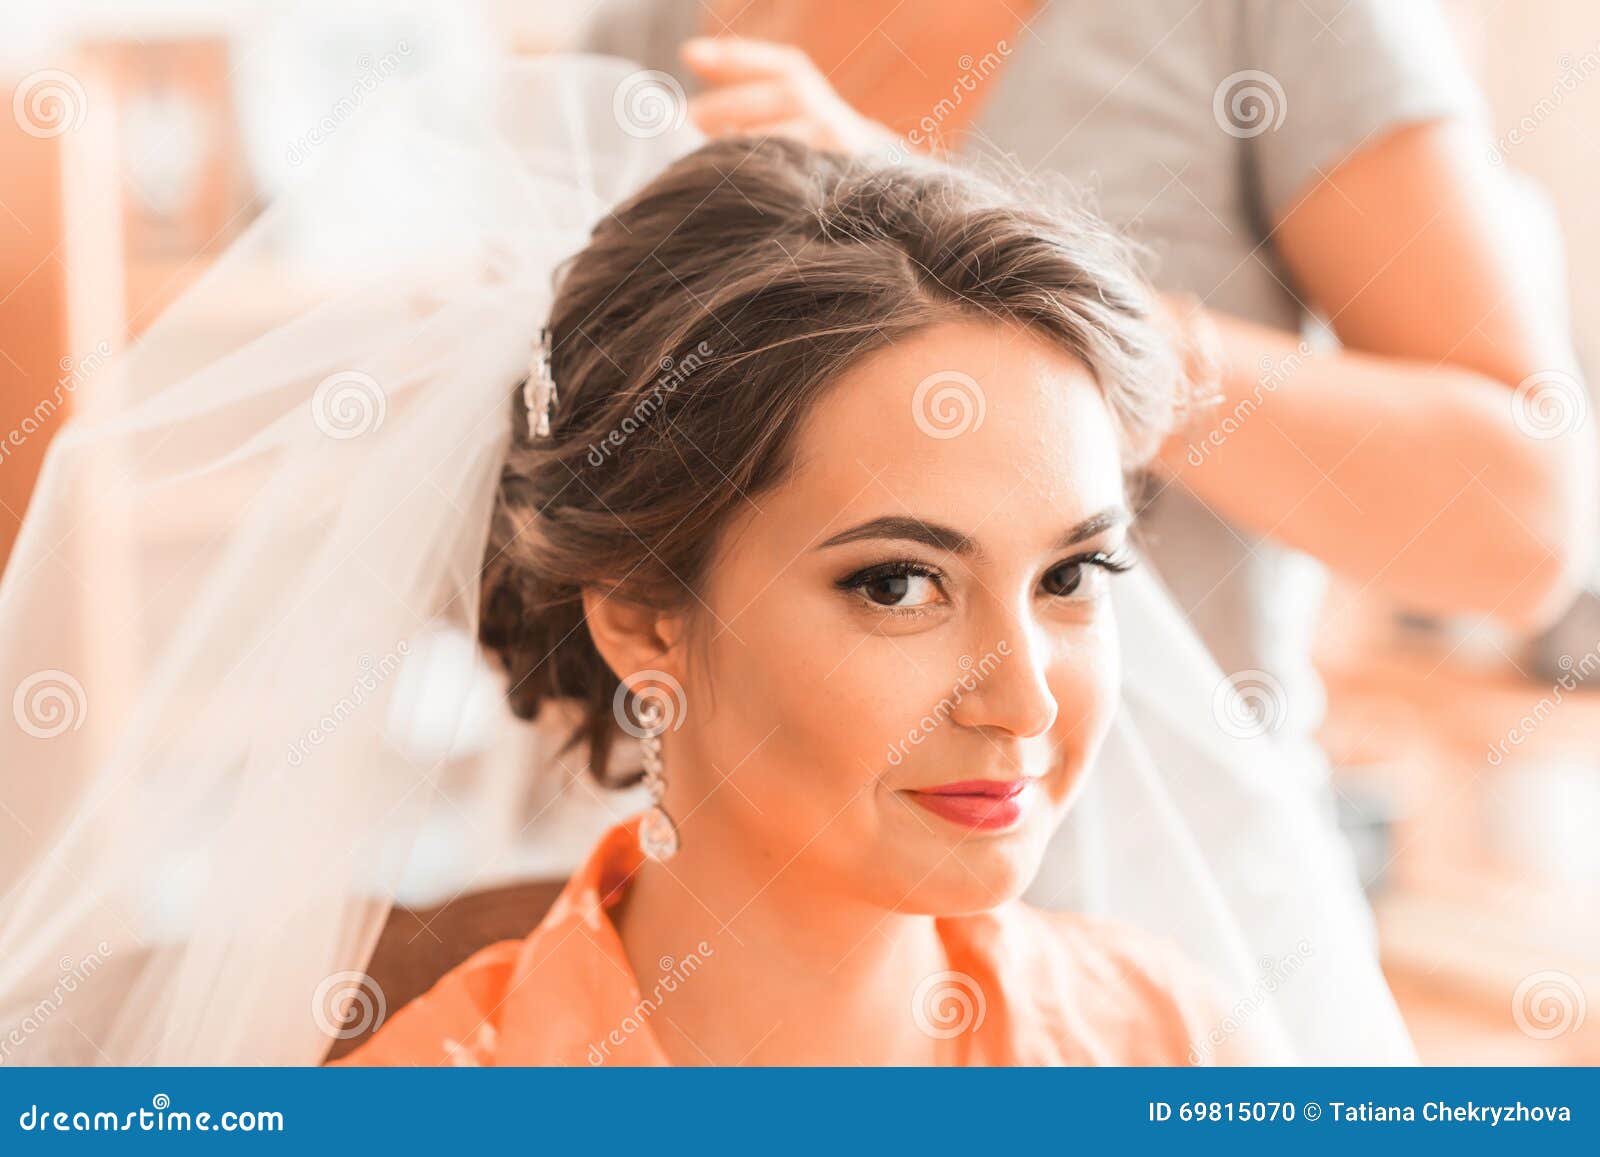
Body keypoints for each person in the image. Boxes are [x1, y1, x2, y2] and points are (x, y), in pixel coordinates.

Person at [338, 131, 1243, 1066]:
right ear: (643, 617)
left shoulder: (1174, 1042)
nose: (1026, 701)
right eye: (898, 586)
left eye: (1070, 575)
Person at [581, 0, 1598, 810]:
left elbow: (1524, 523)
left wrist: (1024, 306)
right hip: (746, 927)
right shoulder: (638, 47)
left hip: (1175, 901)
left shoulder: (1265, 18)